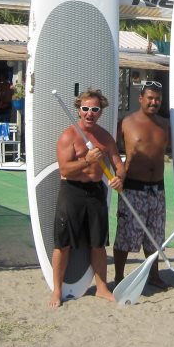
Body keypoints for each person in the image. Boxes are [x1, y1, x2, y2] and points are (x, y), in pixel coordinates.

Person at [50, 88, 124, 307]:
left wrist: (120, 178)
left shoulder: (104, 137)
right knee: (63, 243)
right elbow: (64, 169)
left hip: (95, 193)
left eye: (94, 109)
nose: (90, 113)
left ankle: (102, 287)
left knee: (98, 243)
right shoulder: (69, 136)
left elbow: (119, 165)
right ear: (79, 110)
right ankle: (57, 290)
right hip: (71, 191)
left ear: (100, 111)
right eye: (85, 109)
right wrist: (87, 161)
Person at [113, 80, 169, 288]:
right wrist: (116, 175)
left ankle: (153, 275)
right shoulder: (126, 123)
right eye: (150, 98)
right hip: (133, 187)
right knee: (126, 235)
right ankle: (119, 277)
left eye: (158, 99)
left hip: (157, 189)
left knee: (155, 236)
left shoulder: (165, 124)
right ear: (141, 99)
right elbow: (112, 152)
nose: (154, 102)